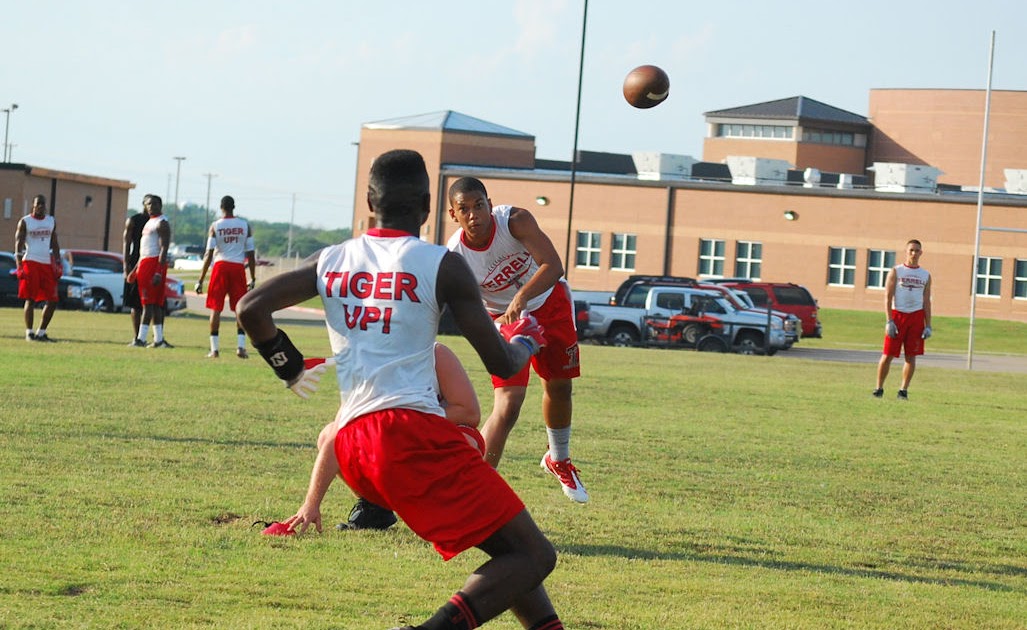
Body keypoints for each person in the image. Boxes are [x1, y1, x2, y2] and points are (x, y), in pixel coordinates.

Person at [238, 149, 564, 630]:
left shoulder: (331, 259)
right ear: (431, 207)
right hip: (407, 435)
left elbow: (251, 307)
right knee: (536, 556)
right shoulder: (441, 264)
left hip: (350, 446)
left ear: (370, 202)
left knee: (511, 549)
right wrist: (529, 341)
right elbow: (499, 359)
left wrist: (287, 366)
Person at [446, 176, 587, 503]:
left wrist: (522, 297)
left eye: (479, 206)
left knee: (560, 386)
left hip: (550, 304)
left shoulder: (516, 221)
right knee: (508, 405)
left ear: (490, 205)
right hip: (504, 321)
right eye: (464, 209)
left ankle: (559, 458)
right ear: (453, 215)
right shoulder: (454, 257)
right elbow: (460, 306)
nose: (473, 215)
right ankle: (472, 490)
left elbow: (554, 266)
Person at [194, 195, 257, 359]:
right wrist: (253, 276)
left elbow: (208, 253)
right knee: (239, 309)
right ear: (234, 207)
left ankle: (214, 349)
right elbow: (250, 253)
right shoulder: (245, 225)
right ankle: (240, 347)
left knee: (216, 308)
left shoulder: (215, 226)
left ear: (221, 208)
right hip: (237, 267)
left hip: (220, 266)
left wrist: (200, 280)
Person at [874, 239, 932, 400]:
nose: (914, 253)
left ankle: (903, 390)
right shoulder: (896, 271)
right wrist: (889, 320)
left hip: (916, 317)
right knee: (888, 354)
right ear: (906, 251)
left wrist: (928, 325)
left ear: (921, 253)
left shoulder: (925, 275)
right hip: (898, 315)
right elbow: (888, 296)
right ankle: (879, 388)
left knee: (911, 356)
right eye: (911, 250)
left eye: (917, 250)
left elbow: (926, 300)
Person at [14, 194, 61, 342]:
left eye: (42, 204)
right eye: (38, 204)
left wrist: (58, 261)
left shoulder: (50, 221)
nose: (40, 207)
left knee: (53, 299)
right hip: (31, 261)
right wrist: (19, 264)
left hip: (46, 262)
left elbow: (54, 242)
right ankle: (29, 332)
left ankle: (41, 332)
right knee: (31, 298)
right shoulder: (25, 221)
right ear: (33, 206)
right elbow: (19, 244)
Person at [128, 194, 173, 348]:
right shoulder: (149, 222)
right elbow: (143, 250)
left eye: (154, 204)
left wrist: (158, 271)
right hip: (145, 262)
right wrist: (134, 270)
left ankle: (140, 338)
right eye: (148, 204)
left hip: (154, 264)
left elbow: (164, 249)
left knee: (148, 303)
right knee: (154, 304)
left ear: (160, 205)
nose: (151, 207)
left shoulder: (161, 223)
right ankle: (159, 340)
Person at [123, 202, 150, 340]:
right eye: (149, 204)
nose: (151, 207)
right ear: (144, 204)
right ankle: (137, 336)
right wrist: (126, 266)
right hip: (136, 260)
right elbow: (126, 243)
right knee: (135, 304)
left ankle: (156, 337)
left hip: (151, 261)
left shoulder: (158, 221)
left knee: (154, 303)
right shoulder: (134, 220)